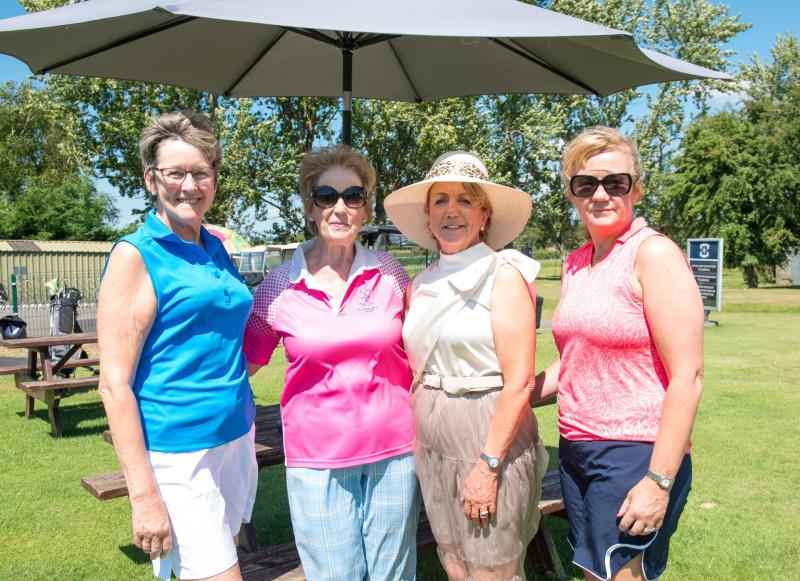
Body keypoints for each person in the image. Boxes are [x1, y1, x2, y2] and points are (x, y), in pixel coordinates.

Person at [532, 126, 704, 581]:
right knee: (595, 573)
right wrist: (514, 393)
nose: (601, 194)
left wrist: (659, 481)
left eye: (616, 182)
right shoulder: (576, 262)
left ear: (637, 188)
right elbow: (574, 363)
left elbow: (688, 376)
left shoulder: (654, 255)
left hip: (635, 452)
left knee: (621, 575)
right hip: (577, 448)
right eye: (586, 184)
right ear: (572, 194)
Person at [243, 145, 419, 580]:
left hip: (395, 453)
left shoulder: (390, 274)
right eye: (326, 196)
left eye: (353, 196)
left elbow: (428, 348)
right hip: (316, 459)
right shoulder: (279, 287)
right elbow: (243, 365)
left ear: (366, 207)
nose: (340, 207)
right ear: (309, 206)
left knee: (393, 573)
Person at [98, 111, 257, 581]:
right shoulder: (136, 255)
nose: (189, 185)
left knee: (212, 560)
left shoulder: (214, 244)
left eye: (201, 172)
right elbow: (113, 385)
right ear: (151, 179)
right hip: (178, 451)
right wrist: (143, 493)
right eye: (175, 173)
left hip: (235, 436)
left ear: (215, 178)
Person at [384, 151, 548, 580]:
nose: (451, 211)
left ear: (484, 214)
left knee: (493, 568)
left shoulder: (504, 275)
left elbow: (520, 382)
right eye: (440, 200)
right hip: (431, 431)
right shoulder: (418, 284)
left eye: (465, 199)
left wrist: (488, 465)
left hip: (488, 434)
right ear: (427, 214)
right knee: (454, 561)